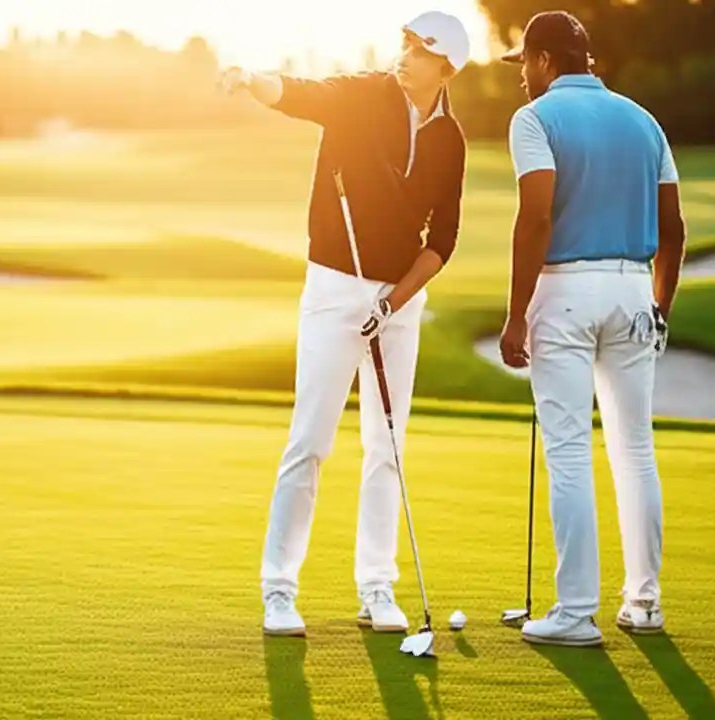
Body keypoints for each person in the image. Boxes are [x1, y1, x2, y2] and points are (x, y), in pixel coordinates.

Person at [220, 10, 472, 637]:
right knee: (310, 439)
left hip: (398, 302)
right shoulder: (362, 95)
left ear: (446, 69)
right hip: (336, 288)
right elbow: (303, 95)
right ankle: (279, 590)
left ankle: (377, 586)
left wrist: (394, 301)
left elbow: (443, 240)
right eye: (405, 44)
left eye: (420, 50)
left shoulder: (450, 139)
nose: (406, 56)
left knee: (387, 445)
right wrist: (252, 79)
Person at [498, 10, 686, 646]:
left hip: (566, 293)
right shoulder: (644, 120)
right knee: (635, 451)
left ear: (545, 61)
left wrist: (516, 314)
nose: (522, 77)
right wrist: (660, 305)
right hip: (634, 293)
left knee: (570, 452)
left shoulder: (534, 118)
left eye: (525, 63)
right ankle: (645, 604)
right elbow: (673, 229)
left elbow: (536, 218)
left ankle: (576, 613)